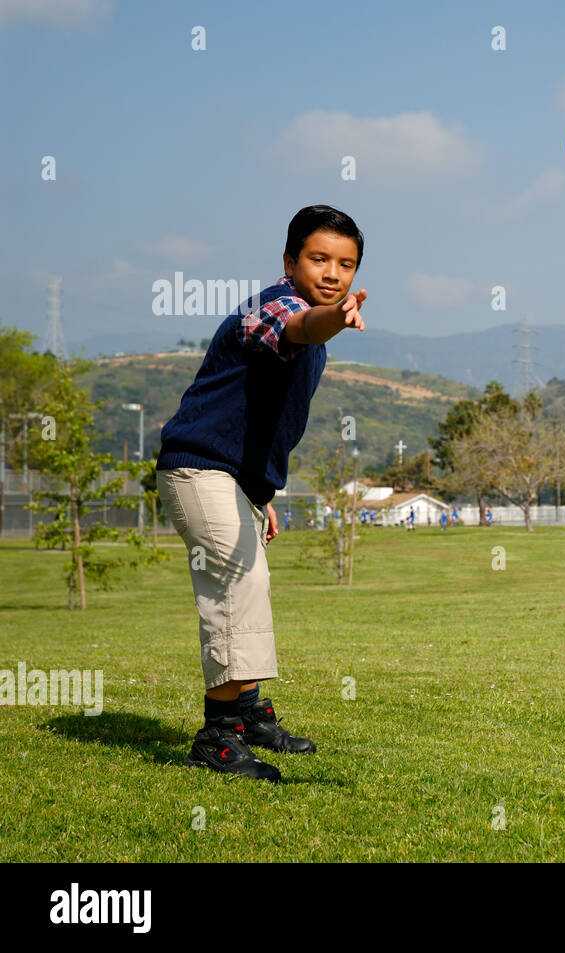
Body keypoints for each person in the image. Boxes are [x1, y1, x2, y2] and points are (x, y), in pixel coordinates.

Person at [155, 205, 368, 782]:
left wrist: (258, 492)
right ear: (289, 261)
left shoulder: (313, 321)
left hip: (232, 478)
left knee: (252, 585)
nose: (332, 273)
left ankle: (248, 715)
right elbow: (299, 327)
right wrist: (335, 319)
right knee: (237, 583)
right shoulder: (271, 307)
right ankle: (217, 736)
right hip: (198, 469)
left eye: (345, 265)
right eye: (318, 258)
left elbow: (260, 411)